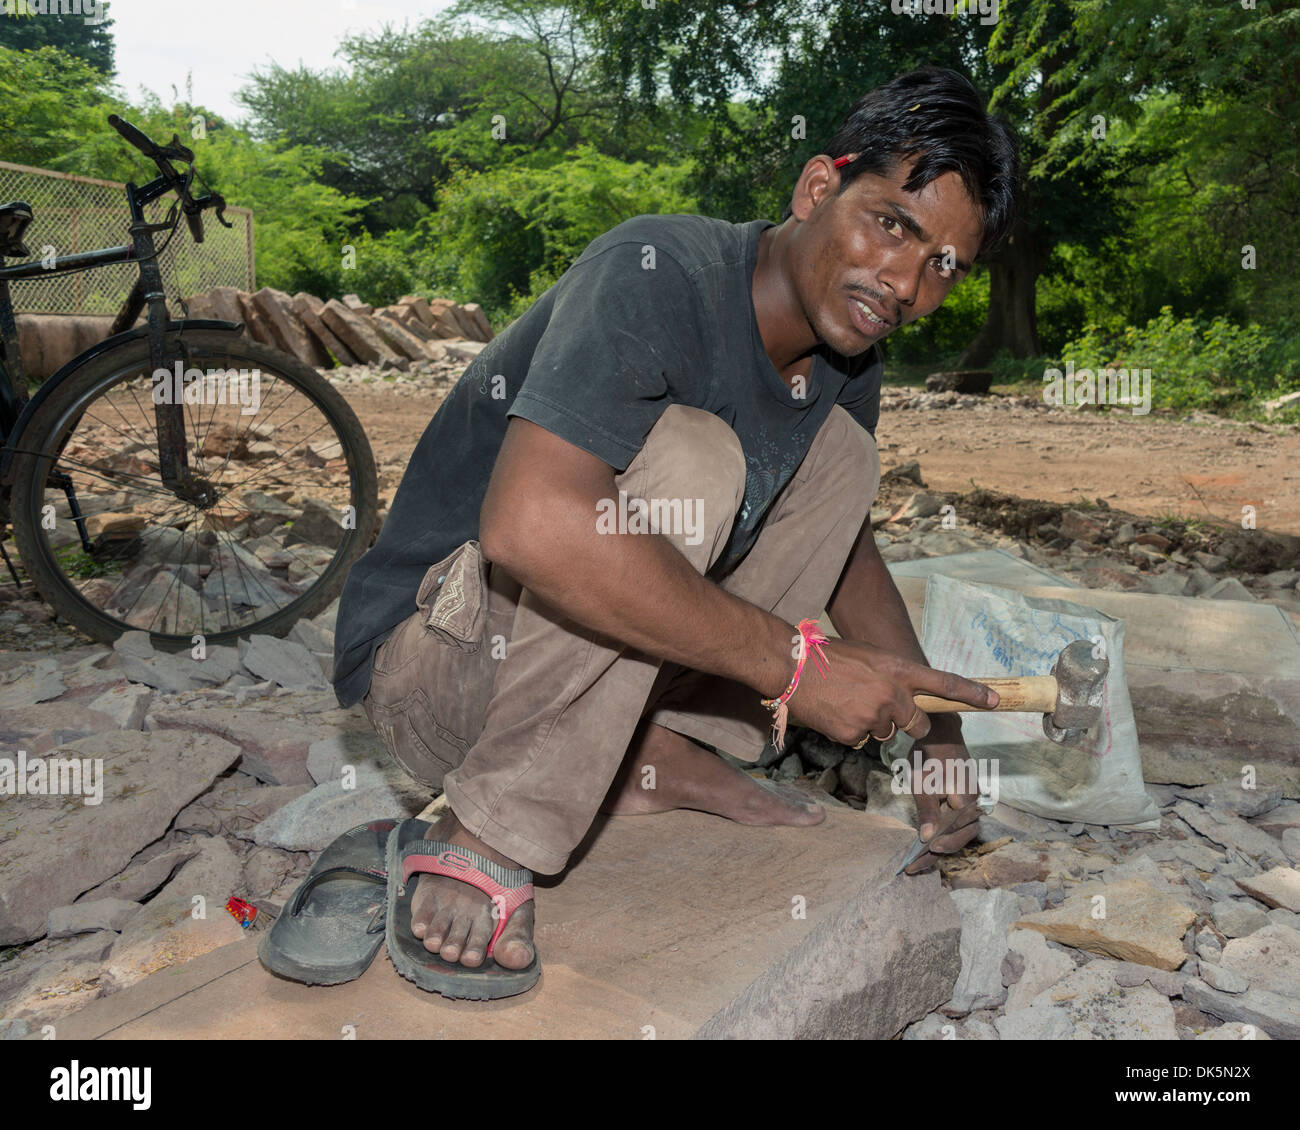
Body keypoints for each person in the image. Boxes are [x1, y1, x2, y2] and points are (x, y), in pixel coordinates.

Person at [332, 65, 1021, 993]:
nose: (905, 281)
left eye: (944, 264)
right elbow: (531, 525)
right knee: (700, 461)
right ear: (819, 187)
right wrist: (796, 668)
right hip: (438, 670)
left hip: (594, 685)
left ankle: (659, 751)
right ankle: (486, 824)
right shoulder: (654, 272)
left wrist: (938, 740)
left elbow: (849, 549)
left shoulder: (848, 356)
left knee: (843, 464)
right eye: (892, 223)